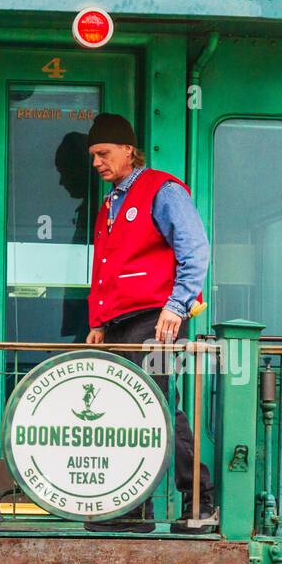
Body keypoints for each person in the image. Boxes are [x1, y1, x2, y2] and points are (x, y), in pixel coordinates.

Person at [83, 113, 214, 533]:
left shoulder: (163, 189)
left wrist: (176, 308)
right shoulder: (109, 203)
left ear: (127, 149)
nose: (97, 163)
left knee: (156, 410)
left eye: (103, 153)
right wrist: (99, 321)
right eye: (93, 156)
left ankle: (200, 503)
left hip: (157, 322)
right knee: (126, 411)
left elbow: (195, 250)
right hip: (120, 323)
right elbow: (106, 269)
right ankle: (133, 510)